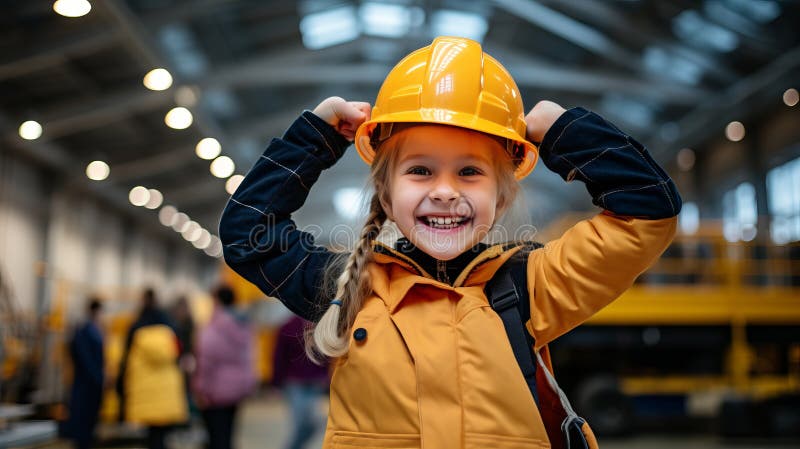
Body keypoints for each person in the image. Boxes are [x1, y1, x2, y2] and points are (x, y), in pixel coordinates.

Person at [219, 36, 681, 448]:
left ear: (501, 196)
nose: (444, 190)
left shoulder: (530, 286)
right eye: (420, 170)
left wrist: (563, 132)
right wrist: (313, 138)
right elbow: (247, 232)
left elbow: (648, 210)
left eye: (470, 172)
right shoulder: (349, 286)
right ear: (386, 190)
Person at [117, 288, 188, 449]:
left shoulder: (136, 327)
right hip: (166, 390)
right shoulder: (170, 327)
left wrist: (121, 386)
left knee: (151, 434)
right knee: (161, 433)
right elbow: (179, 354)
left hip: (144, 390)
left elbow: (125, 359)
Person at [192, 285, 256, 449]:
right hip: (238, 388)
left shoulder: (215, 327)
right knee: (227, 434)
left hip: (215, 391)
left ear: (217, 300)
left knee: (216, 436)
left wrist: (201, 389)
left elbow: (206, 361)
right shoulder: (243, 323)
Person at [272, 315, 330, 449]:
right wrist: (276, 382)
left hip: (316, 383)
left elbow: (328, 354)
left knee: (315, 423)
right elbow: (279, 356)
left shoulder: (321, 325)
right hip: (295, 383)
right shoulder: (288, 327)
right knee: (299, 423)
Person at [61, 298, 104, 449]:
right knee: (82, 420)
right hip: (85, 383)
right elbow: (85, 359)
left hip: (92, 383)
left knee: (90, 419)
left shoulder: (95, 330)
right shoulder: (85, 331)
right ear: (95, 311)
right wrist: (97, 377)